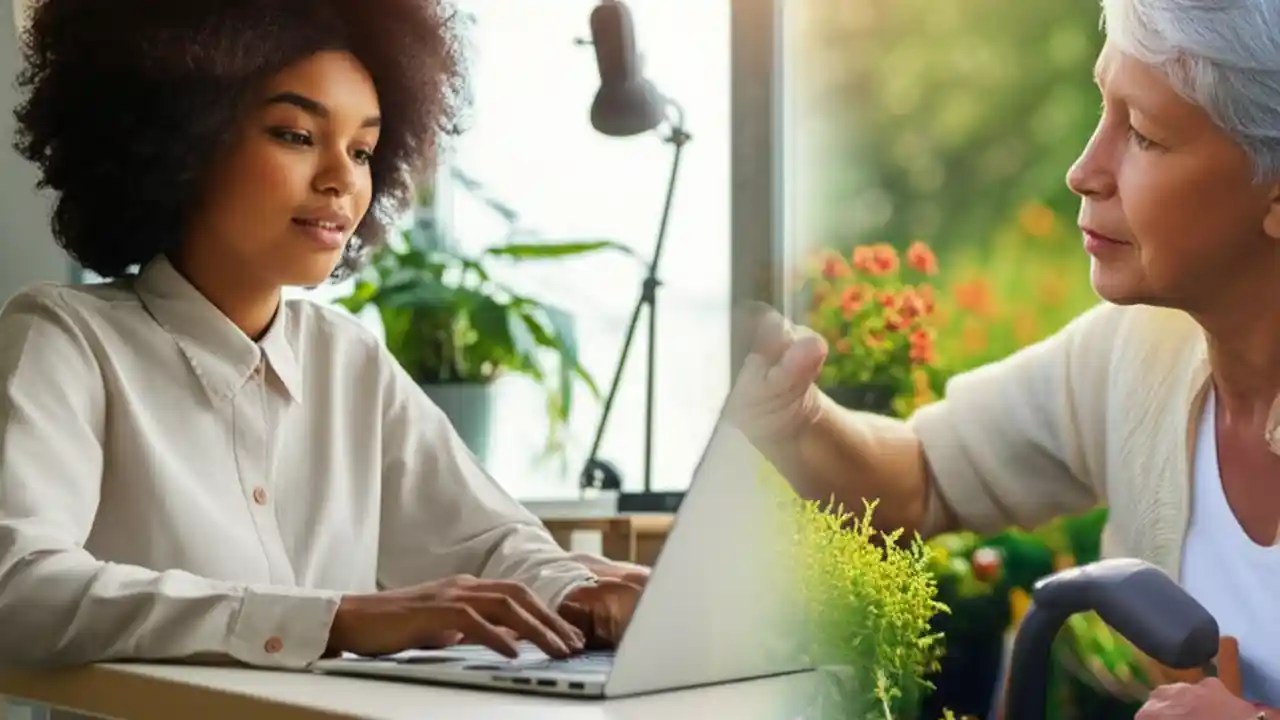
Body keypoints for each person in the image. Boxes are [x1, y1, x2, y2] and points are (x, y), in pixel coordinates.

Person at [0, 0, 645, 671]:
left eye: (363, 150)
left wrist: (583, 596)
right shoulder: (65, 339)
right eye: (296, 135)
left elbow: (488, 544)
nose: (342, 179)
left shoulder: (349, 360)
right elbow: (17, 587)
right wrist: (333, 618)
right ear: (182, 140)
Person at [725, 0, 1280, 717]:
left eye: (1142, 134)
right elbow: (923, 479)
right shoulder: (1141, 353)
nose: (1084, 170)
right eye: (1102, 110)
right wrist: (793, 415)